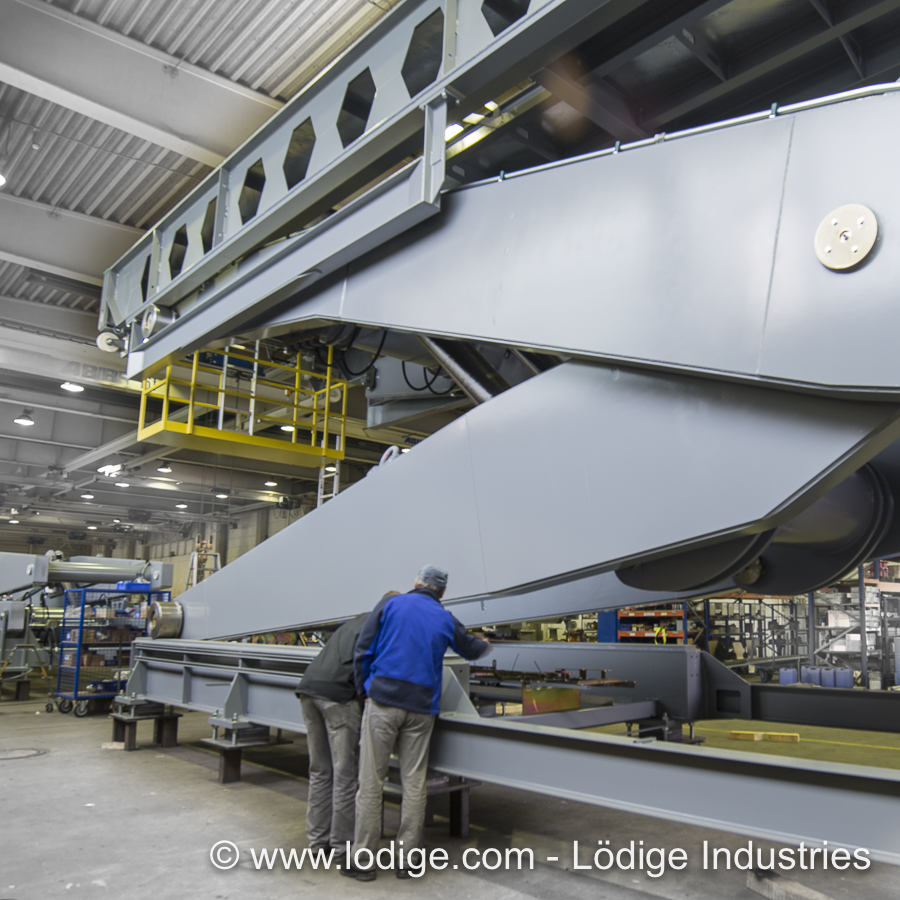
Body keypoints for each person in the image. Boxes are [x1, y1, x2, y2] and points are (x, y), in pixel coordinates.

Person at [343, 565, 491, 881]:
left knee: (371, 781)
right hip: (422, 708)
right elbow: (472, 649)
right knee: (414, 783)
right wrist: (489, 642)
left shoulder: (391, 604)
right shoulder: (445, 618)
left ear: (415, 583)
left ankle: (364, 863)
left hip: (383, 701)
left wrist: (363, 691)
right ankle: (408, 861)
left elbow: (363, 650)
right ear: (442, 592)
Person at [295, 609, 373, 858]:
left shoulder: (355, 621)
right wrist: (364, 694)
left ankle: (317, 843)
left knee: (320, 770)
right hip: (338, 697)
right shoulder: (381, 626)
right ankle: (342, 848)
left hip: (309, 691)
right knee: (345, 774)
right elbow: (366, 663)